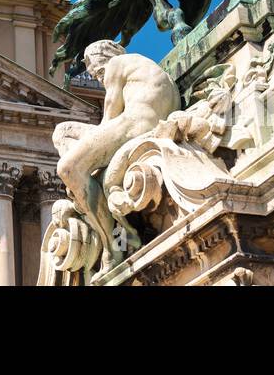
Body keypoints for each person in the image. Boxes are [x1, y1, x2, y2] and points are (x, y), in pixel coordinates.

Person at [52, 40, 179, 270]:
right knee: (63, 133)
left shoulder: (116, 65)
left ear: (103, 58)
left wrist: (87, 168)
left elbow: (108, 118)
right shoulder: (150, 70)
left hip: (131, 126)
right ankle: (86, 191)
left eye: (96, 71)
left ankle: (112, 245)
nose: (98, 77)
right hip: (143, 124)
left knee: (67, 167)